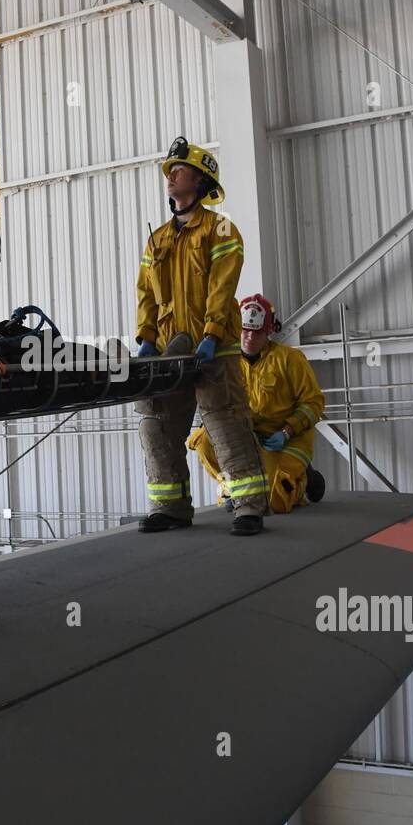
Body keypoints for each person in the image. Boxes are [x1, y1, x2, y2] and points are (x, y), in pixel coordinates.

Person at [134, 137, 269, 536]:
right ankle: (169, 506)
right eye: (170, 171)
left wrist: (210, 333)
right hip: (167, 354)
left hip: (214, 348)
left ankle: (248, 507)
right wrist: (145, 337)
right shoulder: (156, 238)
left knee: (226, 424)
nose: (170, 176)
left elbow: (222, 286)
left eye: (179, 170)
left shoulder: (220, 227)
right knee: (157, 425)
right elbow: (146, 295)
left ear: (200, 179)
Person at [188, 294, 326, 514]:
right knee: (204, 440)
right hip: (245, 436)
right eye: (245, 330)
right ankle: (233, 486)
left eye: (256, 332)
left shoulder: (290, 360)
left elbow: (313, 403)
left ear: (269, 331)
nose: (249, 337)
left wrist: (287, 431)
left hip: (286, 440)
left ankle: (304, 481)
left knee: (273, 502)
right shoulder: (227, 364)